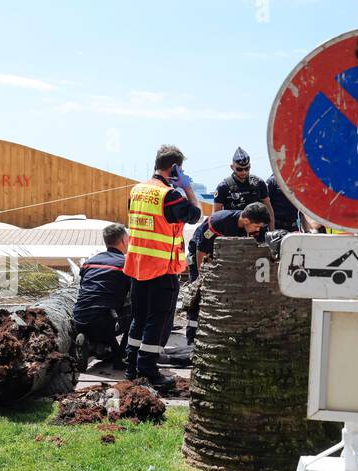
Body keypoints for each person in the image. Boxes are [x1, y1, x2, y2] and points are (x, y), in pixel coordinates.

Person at [124, 146, 202, 391]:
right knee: (158, 321)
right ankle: (148, 369)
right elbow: (196, 214)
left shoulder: (136, 190)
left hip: (138, 267)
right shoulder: (170, 195)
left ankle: (132, 366)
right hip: (162, 269)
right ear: (175, 168)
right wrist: (187, 187)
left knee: (138, 319)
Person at [184, 203, 273, 344]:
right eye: (256, 227)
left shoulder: (256, 227)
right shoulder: (219, 222)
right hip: (202, 254)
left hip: (227, 257)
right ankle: (192, 339)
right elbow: (201, 252)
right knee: (199, 296)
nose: (258, 230)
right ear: (246, 221)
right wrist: (202, 279)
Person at [73, 223, 132, 370]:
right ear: (124, 240)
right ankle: (121, 356)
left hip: (80, 318)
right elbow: (135, 294)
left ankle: (91, 342)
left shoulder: (88, 263)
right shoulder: (125, 264)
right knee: (138, 314)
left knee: (101, 311)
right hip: (106, 321)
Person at [213, 147, 272, 228]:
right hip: (234, 232)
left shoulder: (259, 183)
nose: (244, 172)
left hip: (257, 231)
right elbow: (216, 216)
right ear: (232, 167)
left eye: (247, 168)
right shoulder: (223, 187)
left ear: (250, 166)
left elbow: (269, 210)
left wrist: (271, 231)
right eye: (239, 169)